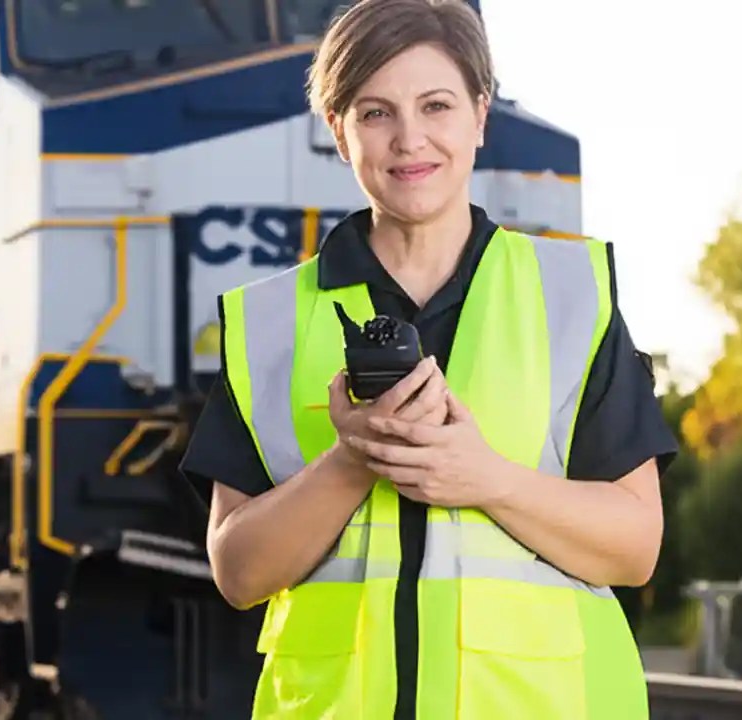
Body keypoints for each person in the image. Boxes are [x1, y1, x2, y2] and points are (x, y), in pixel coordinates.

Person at [177, 0, 679, 718]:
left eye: (436, 105)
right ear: (339, 134)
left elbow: (635, 549)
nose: (410, 139)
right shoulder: (266, 323)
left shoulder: (571, 299)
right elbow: (238, 572)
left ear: (480, 114)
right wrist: (351, 460)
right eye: (376, 113)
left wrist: (487, 479)